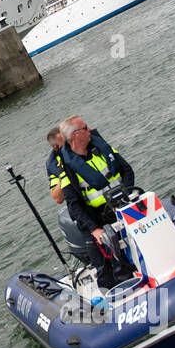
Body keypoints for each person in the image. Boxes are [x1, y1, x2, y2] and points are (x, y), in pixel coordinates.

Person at [58, 115, 136, 285]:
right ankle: (113, 294)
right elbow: (74, 206)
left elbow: (127, 171)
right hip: (94, 219)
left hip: (120, 206)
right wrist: (94, 229)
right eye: (85, 128)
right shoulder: (67, 168)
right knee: (106, 269)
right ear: (74, 135)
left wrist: (124, 197)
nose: (90, 130)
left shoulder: (103, 149)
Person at [45, 126, 67, 204]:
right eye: (64, 141)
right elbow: (58, 199)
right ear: (55, 147)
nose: (69, 142)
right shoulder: (53, 165)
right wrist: (64, 175)